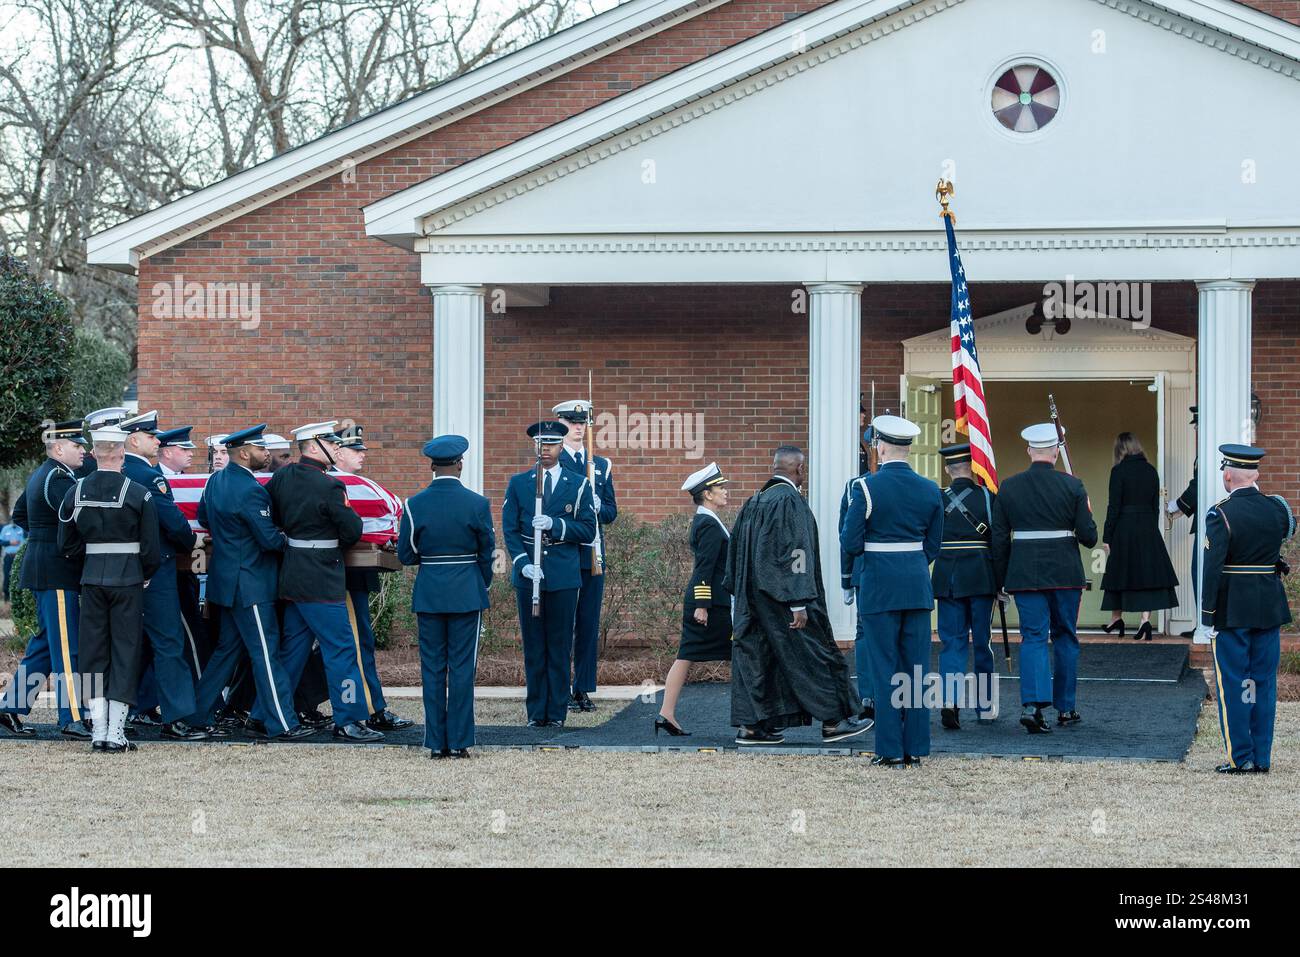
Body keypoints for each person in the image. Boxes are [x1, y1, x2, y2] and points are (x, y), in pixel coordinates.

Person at [727, 446, 870, 746]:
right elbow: (796, 553)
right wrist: (798, 602)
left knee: (759, 659)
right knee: (812, 655)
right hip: (786, 599)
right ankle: (834, 722)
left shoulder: (755, 500)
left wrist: (740, 597)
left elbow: (736, 554)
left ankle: (753, 727)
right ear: (799, 470)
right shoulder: (789, 501)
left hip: (753, 600)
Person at [183, 425, 314, 740]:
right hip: (251, 584)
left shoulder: (215, 481)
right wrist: (289, 539)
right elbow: (269, 540)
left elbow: (202, 517)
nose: (266, 454)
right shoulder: (252, 490)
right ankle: (282, 723)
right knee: (266, 654)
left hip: (226, 582)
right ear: (243, 453)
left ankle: (195, 714)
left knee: (227, 651)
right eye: (261, 449)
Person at [265, 421, 380, 742]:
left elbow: (271, 515)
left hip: (293, 574)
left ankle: (268, 714)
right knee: (341, 648)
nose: (338, 448)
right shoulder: (329, 486)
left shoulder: (282, 477)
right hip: (322, 577)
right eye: (332, 443)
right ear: (314, 447)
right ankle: (349, 718)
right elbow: (352, 530)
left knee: (293, 650)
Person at [841, 417, 943, 767]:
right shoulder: (931, 489)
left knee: (884, 668)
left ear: (880, 447)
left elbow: (850, 541)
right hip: (915, 586)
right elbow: (933, 545)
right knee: (915, 669)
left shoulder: (866, 488)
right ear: (908, 448)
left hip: (879, 588)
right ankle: (915, 748)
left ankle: (888, 750)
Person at [58, 425, 162, 753]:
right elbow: (151, 548)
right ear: (120, 454)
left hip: (91, 580)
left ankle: (98, 729)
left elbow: (66, 543)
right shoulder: (138, 493)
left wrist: (87, 562)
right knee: (125, 652)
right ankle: (116, 732)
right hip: (128, 580)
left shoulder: (74, 492)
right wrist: (145, 573)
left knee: (92, 654)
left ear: (94, 454)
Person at [991, 423, 1098, 734]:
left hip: (1025, 574)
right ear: (1055, 452)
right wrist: (1085, 512)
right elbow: (1089, 538)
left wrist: (1001, 578)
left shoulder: (1009, 487)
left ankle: (1033, 705)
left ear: (1029, 451)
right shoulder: (1073, 486)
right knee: (1065, 636)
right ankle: (1065, 708)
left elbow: (1000, 539)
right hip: (1065, 573)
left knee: (1034, 637)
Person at [397, 435, 495, 758]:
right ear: (460, 464)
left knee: (433, 668)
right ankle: (460, 742)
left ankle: (436, 744)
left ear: (432, 467)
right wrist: (479, 583)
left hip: (429, 594)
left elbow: (407, 554)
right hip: (467, 592)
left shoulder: (414, 505)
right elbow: (486, 553)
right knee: (463, 669)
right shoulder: (477, 504)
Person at [1202, 444, 1294, 774]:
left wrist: (1207, 617)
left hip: (1233, 610)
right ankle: (1262, 757)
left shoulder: (1220, 513)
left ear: (1228, 475)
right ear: (1255, 474)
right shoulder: (1277, 510)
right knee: (1262, 682)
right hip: (1268, 606)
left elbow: (1212, 569)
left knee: (1237, 683)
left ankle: (1241, 757)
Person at [0, 420, 91, 739]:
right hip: (57, 570)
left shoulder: (45, 474)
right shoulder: (58, 477)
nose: (83, 450)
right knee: (69, 648)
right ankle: (73, 716)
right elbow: (79, 519)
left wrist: (41, 538)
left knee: (44, 645)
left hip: (44, 566)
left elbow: (21, 515)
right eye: (77, 446)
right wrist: (54, 541)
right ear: (58, 448)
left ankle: (10, 707)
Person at [502, 420, 596, 728]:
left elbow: (588, 529)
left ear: (560, 447)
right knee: (533, 646)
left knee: (558, 645)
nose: (546, 449)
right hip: (530, 575)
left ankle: (556, 712)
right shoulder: (519, 483)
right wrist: (520, 562)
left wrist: (556, 526)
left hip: (563, 576)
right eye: (541, 444)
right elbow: (510, 529)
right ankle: (535, 712)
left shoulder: (578, 483)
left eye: (552, 444)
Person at [120, 411, 205, 740]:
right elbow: (171, 519)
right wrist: (191, 540)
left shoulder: (119, 471)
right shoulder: (146, 474)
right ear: (134, 439)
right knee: (169, 641)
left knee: (134, 643)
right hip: (157, 568)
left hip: (125, 569)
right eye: (152, 436)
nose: (158, 440)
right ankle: (178, 717)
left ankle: (125, 709)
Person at [332, 426, 411, 731]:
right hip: (345, 575)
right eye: (356, 450)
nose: (362, 454)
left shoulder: (357, 485)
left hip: (356, 572)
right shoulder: (334, 485)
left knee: (361, 642)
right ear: (337, 452)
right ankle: (370, 708)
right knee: (356, 643)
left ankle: (373, 706)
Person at [656, 462, 731, 737]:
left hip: (710, 604)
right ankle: (753, 719)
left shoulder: (708, 520)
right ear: (707, 494)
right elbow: (704, 568)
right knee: (746, 654)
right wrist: (702, 605)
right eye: (720, 487)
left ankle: (666, 714)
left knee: (685, 656)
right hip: (710, 606)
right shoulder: (708, 523)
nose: (725, 492)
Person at [553, 399, 617, 713]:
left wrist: (597, 504)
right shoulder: (553, 461)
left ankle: (582, 688)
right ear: (561, 424)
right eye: (572, 421)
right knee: (562, 623)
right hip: (565, 552)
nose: (578, 427)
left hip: (593, 552)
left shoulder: (600, 465)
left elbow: (611, 512)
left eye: (582, 422)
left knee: (588, 623)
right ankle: (560, 686)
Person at [931, 443, 998, 729]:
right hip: (981, 577)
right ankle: (984, 707)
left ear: (948, 469)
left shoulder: (937, 498)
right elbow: (999, 539)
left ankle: (950, 700)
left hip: (948, 577)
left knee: (952, 643)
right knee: (983, 644)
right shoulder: (987, 496)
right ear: (973, 467)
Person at [1100, 432, 1179, 641]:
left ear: (1120, 449)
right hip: (1147, 527)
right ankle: (1145, 620)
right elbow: (1155, 506)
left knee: (1119, 572)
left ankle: (1116, 617)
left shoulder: (1118, 471)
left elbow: (1114, 506)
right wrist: (1151, 529)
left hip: (1124, 527)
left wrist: (1107, 535)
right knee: (1147, 573)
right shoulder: (1151, 471)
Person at [838, 427, 874, 717]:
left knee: (865, 634)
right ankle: (887, 697)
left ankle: (870, 697)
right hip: (899, 573)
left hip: (866, 572)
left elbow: (847, 539)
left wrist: (847, 579)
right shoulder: (916, 484)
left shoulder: (855, 488)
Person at [1168, 406, 1199, 638]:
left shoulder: (1208, 449)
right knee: (1197, 572)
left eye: (1197, 424)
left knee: (1199, 572)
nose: (1196, 429)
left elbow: (1198, 484)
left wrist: (1178, 505)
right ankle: (1202, 623)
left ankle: (1204, 624)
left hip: (1211, 524)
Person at [2, 513, 24, 603]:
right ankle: (6, 598)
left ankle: (18, 599)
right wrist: (10, 542)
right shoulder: (5, 529)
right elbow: (1, 541)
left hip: (19, 557)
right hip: (8, 557)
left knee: (19, 577)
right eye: (13, 518)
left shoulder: (22, 529)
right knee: (7, 576)